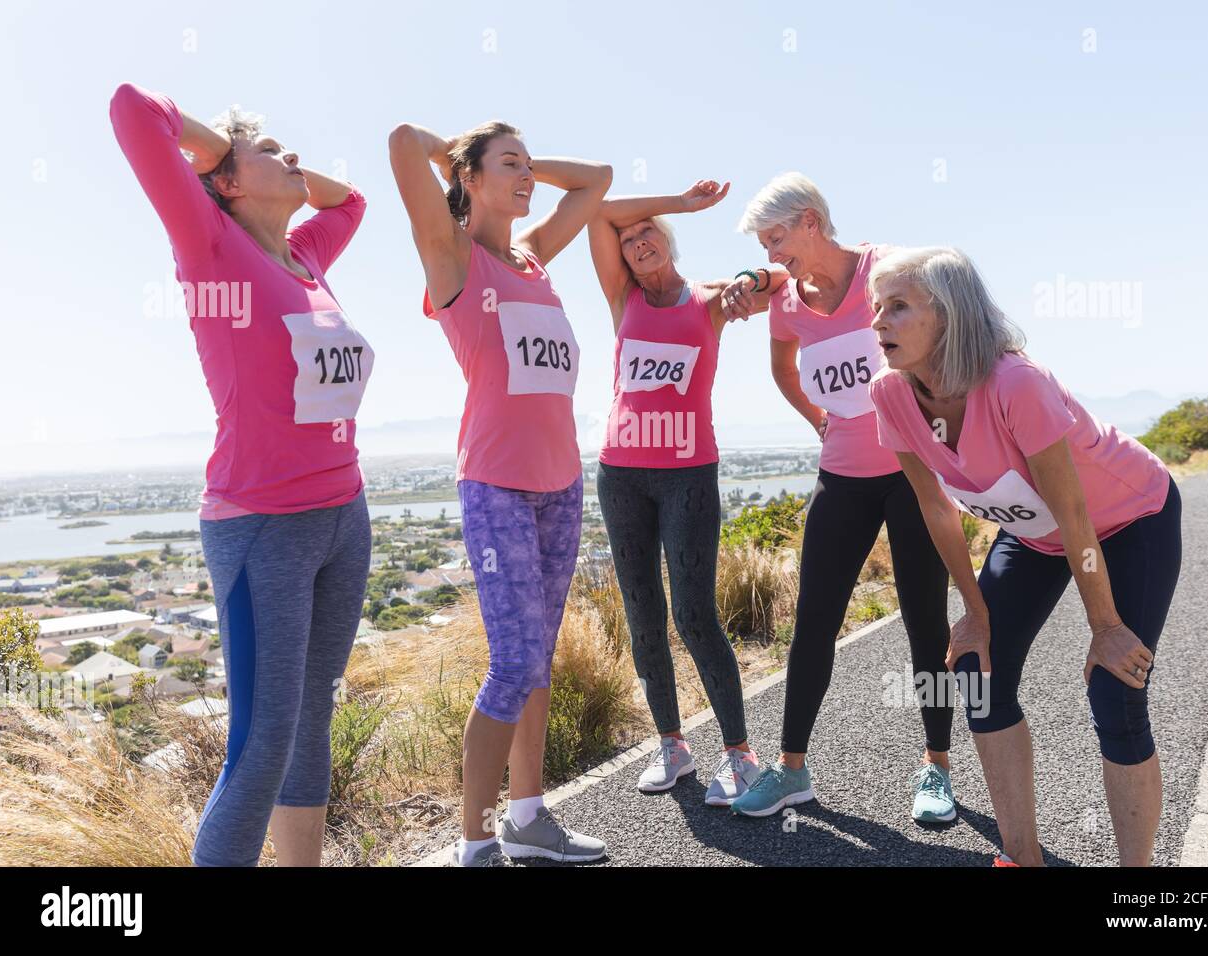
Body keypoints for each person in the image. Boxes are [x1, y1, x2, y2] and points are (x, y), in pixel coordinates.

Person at [111, 82, 374, 866]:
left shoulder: (305, 257)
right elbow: (132, 106)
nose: (293, 157)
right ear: (223, 180)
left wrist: (275, 169)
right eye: (271, 151)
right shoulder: (209, 247)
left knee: (310, 722)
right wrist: (224, 148)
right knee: (259, 750)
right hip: (261, 525)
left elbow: (353, 201)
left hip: (345, 513)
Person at [867, 246, 1181, 866]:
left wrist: (1107, 628)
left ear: (951, 316)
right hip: (1036, 532)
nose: (879, 322)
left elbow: (1075, 515)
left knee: (1115, 690)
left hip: (1127, 517)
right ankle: (1021, 858)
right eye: (877, 307)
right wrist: (975, 613)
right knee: (978, 674)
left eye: (898, 307)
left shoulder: (1015, 383)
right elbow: (936, 509)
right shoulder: (891, 395)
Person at [389, 119, 612, 866]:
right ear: (469, 178)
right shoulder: (454, 260)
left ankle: (529, 818)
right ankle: (475, 840)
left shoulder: (533, 260)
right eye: (508, 165)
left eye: (528, 164)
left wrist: (518, 165)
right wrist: (448, 147)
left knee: (538, 660)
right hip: (496, 486)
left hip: (562, 483)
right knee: (513, 664)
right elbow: (397, 141)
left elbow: (598, 178)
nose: (527, 176)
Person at [729, 174, 956, 823]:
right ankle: (791, 771)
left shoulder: (884, 268)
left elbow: (938, 328)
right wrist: (816, 419)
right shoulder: (787, 301)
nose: (774, 254)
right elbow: (781, 367)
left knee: (924, 620)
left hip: (911, 474)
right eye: (765, 246)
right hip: (842, 475)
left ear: (809, 220)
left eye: (778, 239)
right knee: (814, 624)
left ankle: (936, 766)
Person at [586, 181, 787, 805]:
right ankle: (671, 744)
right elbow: (596, 211)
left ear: (667, 245)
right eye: (628, 239)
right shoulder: (621, 296)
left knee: (693, 614)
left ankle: (740, 755)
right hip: (621, 474)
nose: (636, 240)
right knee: (642, 614)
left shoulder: (707, 300)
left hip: (687, 476)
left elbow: (780, 275)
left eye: (647, 234)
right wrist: (675, 202)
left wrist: (747, 281)